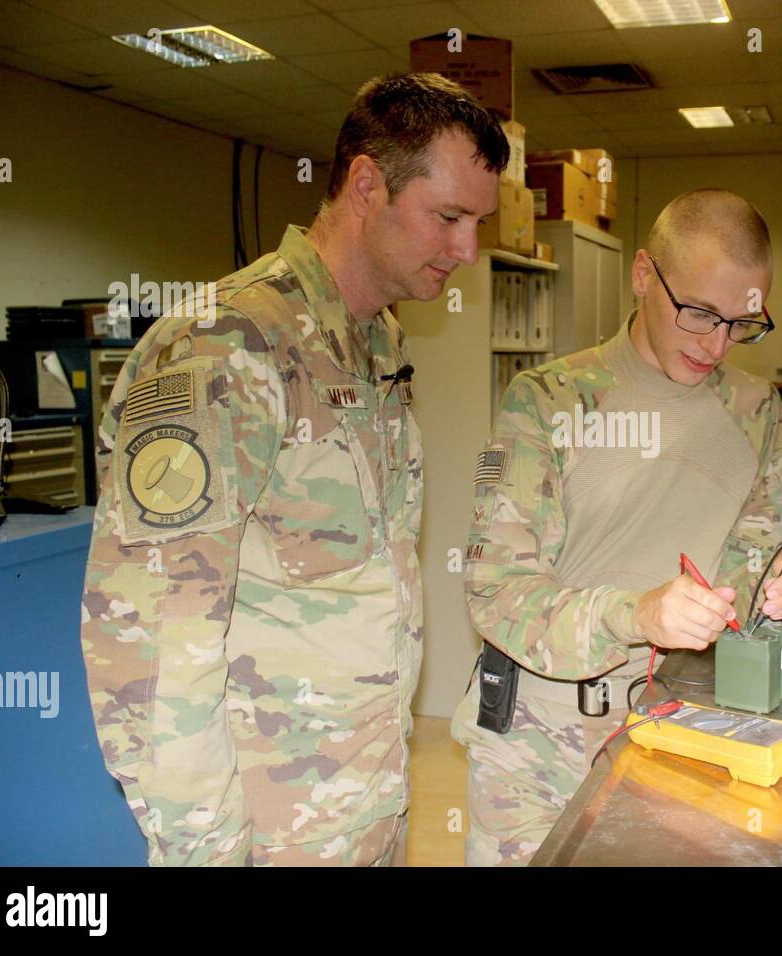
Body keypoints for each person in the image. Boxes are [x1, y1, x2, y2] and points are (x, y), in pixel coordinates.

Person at [80, 73, 506, 866]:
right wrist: (207, 852)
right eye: (449, 218)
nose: (467, 251)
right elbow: (154, 648)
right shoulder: (226, 346)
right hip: (266, 834)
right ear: (367, 185)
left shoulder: (375, 344)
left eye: (478, 223)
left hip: (365, 802)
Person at [452, 188, 782, 865]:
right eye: (699, 313)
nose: (716, 344)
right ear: (642, 275)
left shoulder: (755, 408)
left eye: (741, 323)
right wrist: (634, 614)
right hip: (539, 749)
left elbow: (760, 569)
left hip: (685, 730)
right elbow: (497, 592)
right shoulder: (547, 401)